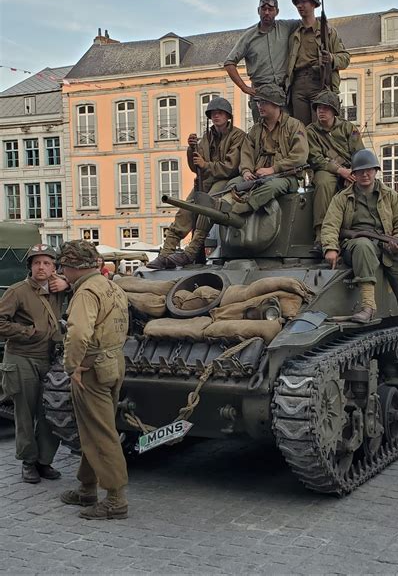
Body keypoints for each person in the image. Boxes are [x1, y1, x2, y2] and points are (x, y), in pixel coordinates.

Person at [321, 149, 398, 367]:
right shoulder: (342, 198)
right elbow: (330, 225)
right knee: (363, 245)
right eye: (360, 171)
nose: (365, 175)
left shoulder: (390, 195)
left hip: (389, 249)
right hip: (357, 246)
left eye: (369, 170)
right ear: (354, 175)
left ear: (375, 171)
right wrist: (330, 247)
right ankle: (368, 306)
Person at [58, 240, 130, 520]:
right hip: (113, 361)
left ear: (73, 267)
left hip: (91, 367)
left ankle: (115, 499)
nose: (63, 271)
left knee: (101, 433)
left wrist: (71, 366)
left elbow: (77, 334)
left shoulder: (86, 291)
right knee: (95, 427)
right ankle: (87, 487)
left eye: (64, 266)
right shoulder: (111, 285)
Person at [147, 97, 246, 269]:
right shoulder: (207, 137)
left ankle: (191, 251)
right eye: (213, 114)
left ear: (228, 116)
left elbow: (231, 167)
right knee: (185, 211)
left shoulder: (238, 136)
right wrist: (191, 149)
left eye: (220, 113)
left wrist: (206, 165)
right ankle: (166, 253)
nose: (216, 116)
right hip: (206, 180)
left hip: (226, 180)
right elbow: (196, 167)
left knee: (206, 210)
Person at [0, 244, 68, 483]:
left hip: (50, 359)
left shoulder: (58, 289)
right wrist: (28, 332)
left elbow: (91, 281)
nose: (42, 267)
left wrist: (68, 284)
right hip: (22, 358)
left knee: (52, 412)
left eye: (47, 263)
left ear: (54, 267)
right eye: (37, 262)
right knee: (25, 414)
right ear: (29, 266)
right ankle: (28, 462)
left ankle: (44, 461)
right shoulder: (17, 291)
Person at [224, 84, 309, 216]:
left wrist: (273, 169)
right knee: (233, 184)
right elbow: (247, 153)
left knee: (271, 187)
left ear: (276, 104)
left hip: (286, 177)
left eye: (264, 102)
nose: (259, 106)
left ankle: (243, 208)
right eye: (258, 102)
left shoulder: (294, 126)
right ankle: (223, 206)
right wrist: (246, 171)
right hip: (257, 177)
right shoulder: (256, 130)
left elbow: (300, 157)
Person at [307, 90, 365, 258]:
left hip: (350, 170)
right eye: (318, 108)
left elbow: (359, 154)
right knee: (323, 182)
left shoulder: (348, 128)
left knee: (365, 184)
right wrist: (340, 171)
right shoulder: (311, 131)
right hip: (328, 170)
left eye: (326, 108)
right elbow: (314, 158)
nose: (321, 111)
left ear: (334, 111)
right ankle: (321, 236)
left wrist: (353, 174)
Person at [224, 0, 299, 123]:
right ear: (258, 11)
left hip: (282, 92)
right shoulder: (249, 36)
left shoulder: (286, 26)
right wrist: (244, 88)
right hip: (260, 94)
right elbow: (229, 63)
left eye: (270, 9)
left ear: (277, 11)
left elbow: (309, 21)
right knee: (262, 135)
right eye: (263, 9)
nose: (267, 12)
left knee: (286, 133)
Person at [286, 0, 350, 125]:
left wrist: (332, 59)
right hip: (298, 84)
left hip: (320, 83)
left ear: (314, 4)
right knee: (300, 130)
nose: (300, 6)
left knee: (320, 128)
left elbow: (345, 58)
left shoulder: (328, 32)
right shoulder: (294, 34)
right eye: (297, 2)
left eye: (304, 2)